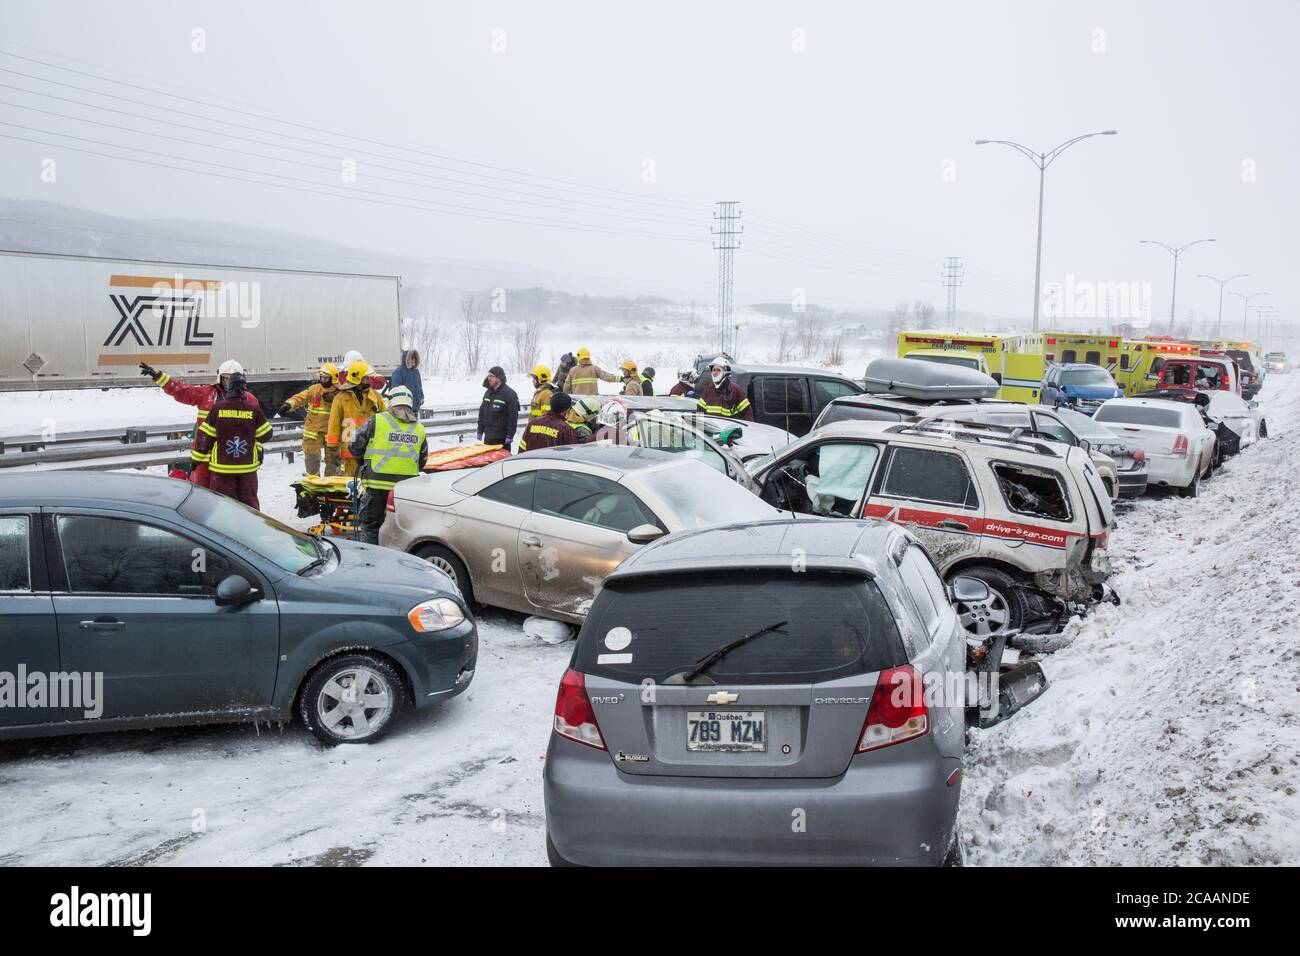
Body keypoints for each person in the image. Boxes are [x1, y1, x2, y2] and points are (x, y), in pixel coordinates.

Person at [139, 358, 258, 488]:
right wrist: (160, 377)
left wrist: (257, 450)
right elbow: (183, 391)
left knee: (235, 498)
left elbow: (257, 430)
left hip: (233, 458)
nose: (230, 383)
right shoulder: (207, 394)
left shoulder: (250, 400)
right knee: (201, 495)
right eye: (226, 378)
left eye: (233, 379)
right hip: (204, 457)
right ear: (220, 378)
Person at [348, 385, 428, 544]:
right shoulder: (419, 428)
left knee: (371, 525)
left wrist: (362, 461)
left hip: (375, 484)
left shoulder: (376, 420)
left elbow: (354, 445)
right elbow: (422, 460)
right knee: (404, 527)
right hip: (405, 488)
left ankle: (369, 561)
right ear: (410, 404)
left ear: (390, 402)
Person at [193, 371, 271, 509]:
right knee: (250, 505)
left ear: (229, 387)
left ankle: (224, 530)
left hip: (222, 468)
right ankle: (252, 529)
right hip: (247, 468)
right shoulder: (253, 409)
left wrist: (196, 460)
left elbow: (204, 437)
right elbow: (266, 434)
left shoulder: (217, 408)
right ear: (244, 387)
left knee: (223, 506)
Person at [326, 359, 387, 477]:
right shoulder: (340, 398)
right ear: (357, 379)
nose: (369, 380)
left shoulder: (376, 397)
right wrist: (332, 449)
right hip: (350, 454)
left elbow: (386, 421)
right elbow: (333, 425)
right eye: (366, 377)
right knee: (352, 486)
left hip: (371, 451)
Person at [280, 363, 339, 476]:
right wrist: (289, 404)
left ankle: (331, 485)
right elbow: (301, 397)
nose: (323, 380)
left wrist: (335, 396)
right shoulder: (314, 390)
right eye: (321, 377)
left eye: (326, 378)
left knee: (332, 462)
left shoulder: (340, 392)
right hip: (313, 432)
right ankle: (314, 485)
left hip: (332, 432)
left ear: (333, 378)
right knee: (311, 461)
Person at [477, 365, 521, 451]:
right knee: (489, 463)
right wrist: (480, 430)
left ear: (499, 378)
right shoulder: (487, 393)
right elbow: (482, 413)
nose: (489, 378)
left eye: (492, 376)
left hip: (502, 439)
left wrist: (510, 435)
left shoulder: (510, 394)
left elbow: (513, 418)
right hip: (488, 438)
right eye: (488, 376)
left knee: (501, 463)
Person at [696, 356, 753, 420]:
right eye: (713, 370)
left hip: (730, 429)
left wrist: (747, 429)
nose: (715, 373)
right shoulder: (709, 389)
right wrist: (699, 428)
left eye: (718, 370)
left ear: (725, 372)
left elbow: (747, 413)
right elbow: (700, 411)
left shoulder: (735, 390)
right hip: (712, 429)